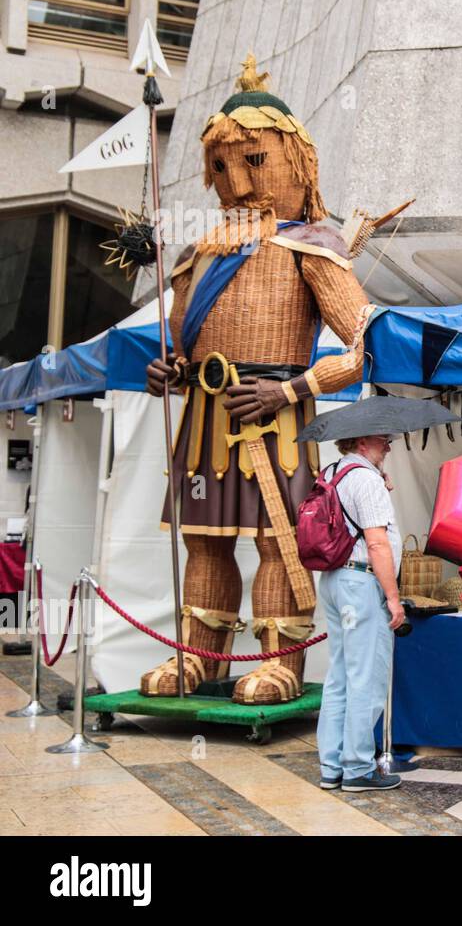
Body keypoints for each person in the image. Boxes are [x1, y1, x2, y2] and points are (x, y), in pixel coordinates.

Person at [142, 55, 373, 705]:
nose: (237, 182)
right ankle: (200, 658)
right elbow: (178, 341)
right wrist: (170, 368)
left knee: (280, 544)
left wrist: (293, 389)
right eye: (222, 166)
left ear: (294, 160)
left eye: (253, 160)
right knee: (207, 545)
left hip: (279, 415)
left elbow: (363, 345)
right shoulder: (196, 256)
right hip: (207, 415)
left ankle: (279, 663)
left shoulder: (312, 247)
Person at [317, 433, 406, 792]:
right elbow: (376, 542)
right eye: (385, 440)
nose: (389, 446)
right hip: (360, 584)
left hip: (334, 582)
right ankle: (358, 768)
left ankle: (332, 764)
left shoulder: (332, 472)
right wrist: (393, 597)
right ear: (365, 441)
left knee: (339, 674)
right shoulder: (366, 480)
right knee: (365, 676)